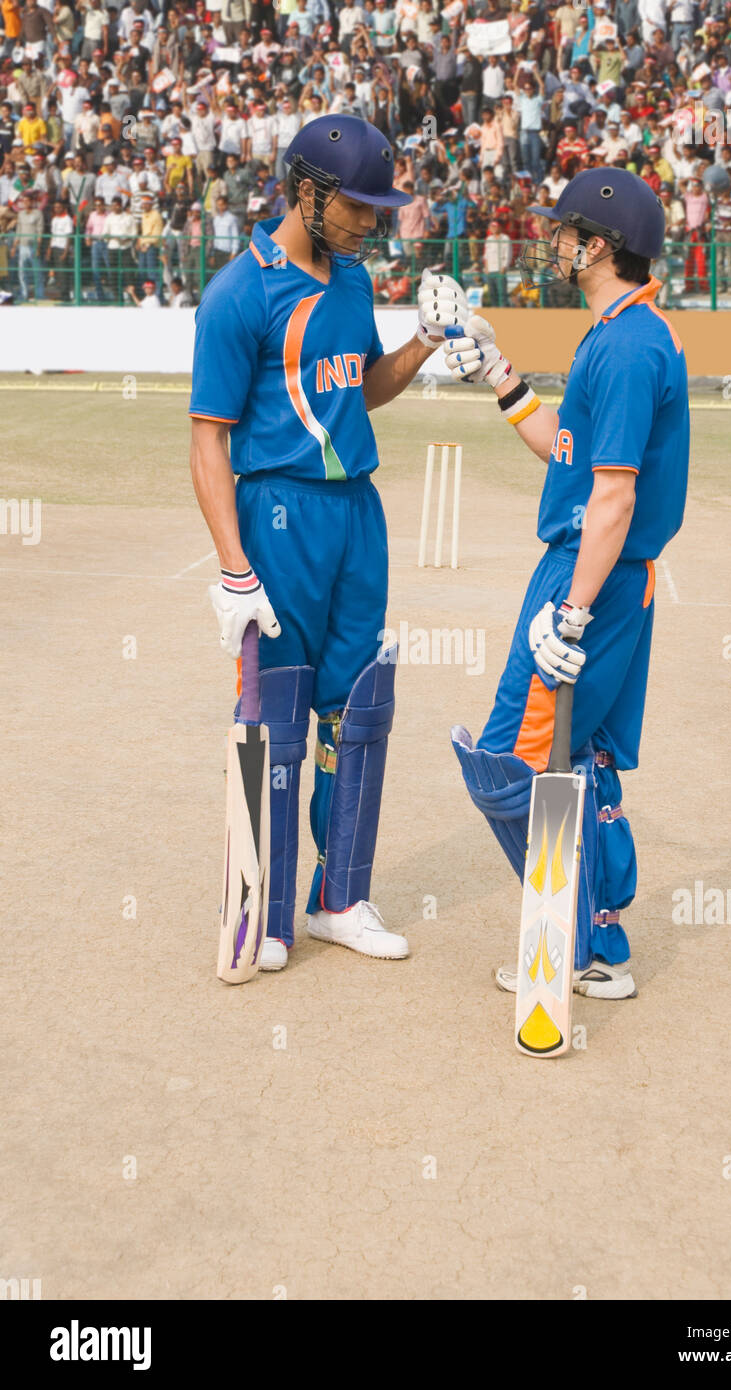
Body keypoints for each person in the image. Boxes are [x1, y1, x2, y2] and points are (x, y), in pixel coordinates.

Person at [188, 115, 468, 971]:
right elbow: (207, 439)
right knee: (276, 718)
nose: (371, 221)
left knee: (356, 712)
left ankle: (338, 899)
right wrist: (234, 568)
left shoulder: (349, 281)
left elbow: (361, 391)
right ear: (303, 190)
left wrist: (424, 341)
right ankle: (265, 917)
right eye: (357, 204)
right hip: (277, 514)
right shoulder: (239, 292)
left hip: (358, 515)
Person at [445, 167, 689, 1005]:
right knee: (579, 759)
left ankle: (570, 937)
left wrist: (572, 612)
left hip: (593, 573)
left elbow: (613, 496)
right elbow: (569, 453)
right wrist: (498, 375)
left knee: (510, 760)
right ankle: (601, 941)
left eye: (563, 233)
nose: (553, 243)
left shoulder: (624, 345)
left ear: (597, 245)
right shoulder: (622, 330)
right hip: (605, 571)